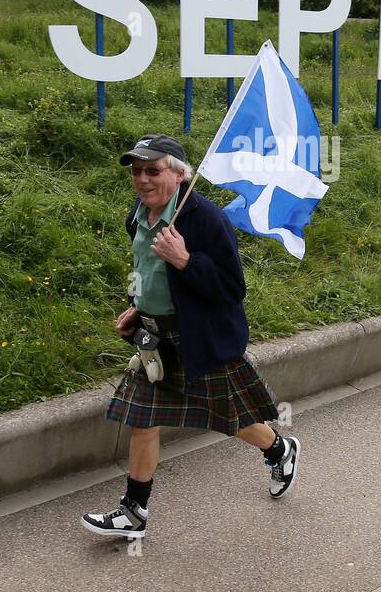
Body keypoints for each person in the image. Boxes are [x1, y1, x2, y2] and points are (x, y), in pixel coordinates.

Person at [80, 135, 300, 540]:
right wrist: (139, 305)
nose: (142, 179)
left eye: (152, 170)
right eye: (136, 171)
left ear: (179, 175)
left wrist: (185, 260)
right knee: (142, 421)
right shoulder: (139, 213)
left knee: (228, 418)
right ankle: (134, 512)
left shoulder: (205, 219)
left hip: (200, 338)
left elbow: (231, 289)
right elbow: (146, 267)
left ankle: (279, 449)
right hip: (155, 340)